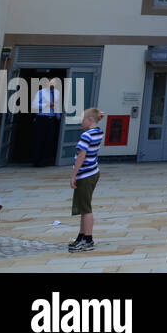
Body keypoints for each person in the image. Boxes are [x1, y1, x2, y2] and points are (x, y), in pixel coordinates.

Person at [68, 107, 105, 252]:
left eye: (82, 119)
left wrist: (73, 175)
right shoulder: (98, 132)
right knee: (84, 207)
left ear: (89, 121)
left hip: (85, 174)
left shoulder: (86, 136)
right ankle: (81, 236)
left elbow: (81, 156)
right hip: (93, 172)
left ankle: (88, 239)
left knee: (86, 208)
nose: (80, 122)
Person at [33, 78, 61, 167]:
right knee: (39, 139)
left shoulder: (57, 93)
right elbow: (34, 105)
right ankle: (37, 161)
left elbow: (57, 105)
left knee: (49, 140)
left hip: (52, 119)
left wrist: (58, 116)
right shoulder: (41, 92)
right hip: (42, 118)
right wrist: (47, 105)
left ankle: (45, 160)